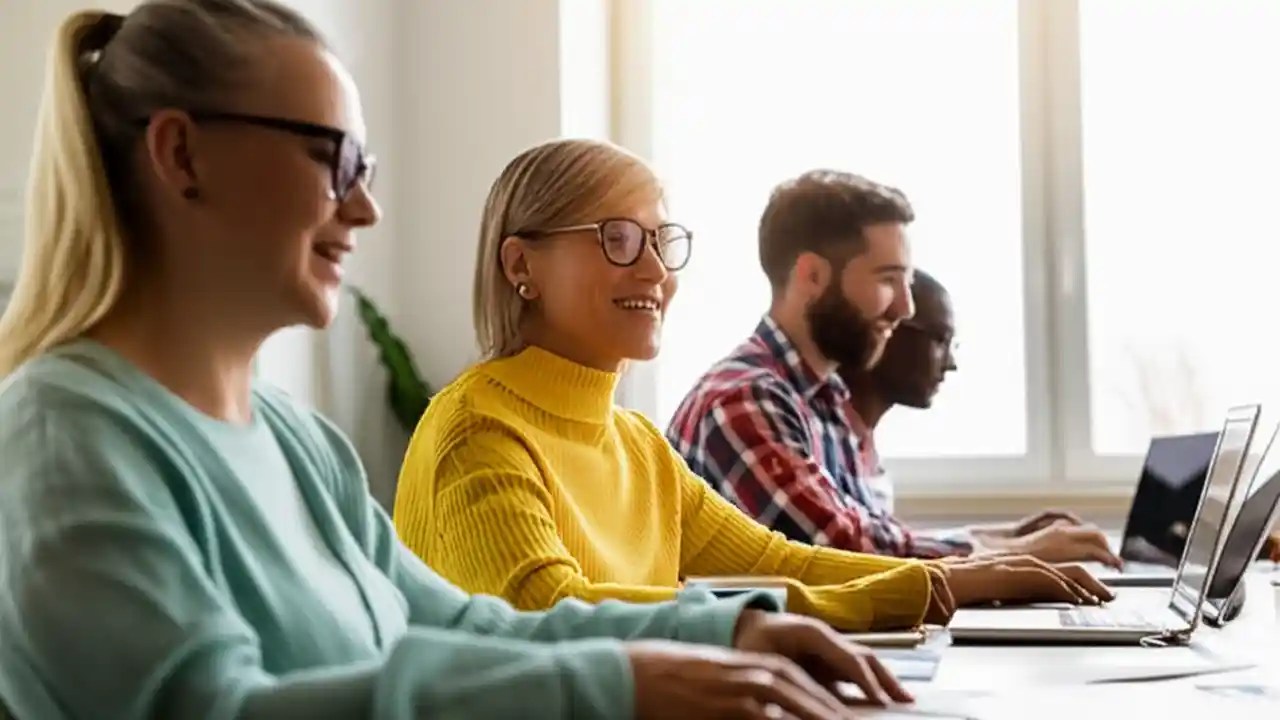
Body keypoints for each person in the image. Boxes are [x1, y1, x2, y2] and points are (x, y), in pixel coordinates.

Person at [0, 4, 923, 719]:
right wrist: (615, 686)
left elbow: (458, 622)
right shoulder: (66, 439)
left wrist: (731, 629)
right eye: (335, 158)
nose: (366, 211)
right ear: (181, 154)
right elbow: (215, 709)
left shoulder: (294, 441)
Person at [393, 140, 1113, 639]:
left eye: (660, 241)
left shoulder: (635, 444)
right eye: (618, 239)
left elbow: (779, 561)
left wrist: (967, 580)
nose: (655, 271)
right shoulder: (479, 430)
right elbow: (549, 611)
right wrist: (943, 582)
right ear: (521, 264)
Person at [665, 171, 1115, 573]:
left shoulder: (823, 399)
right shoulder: (745, 399)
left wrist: (1006, 537)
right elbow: (847, 554)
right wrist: (1024, 552)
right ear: (813, 276)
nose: (905, 307)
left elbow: (873, 532)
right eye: (887, 279)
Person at [837, 269, 1123, 566]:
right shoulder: (823, 437)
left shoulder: (859, 442)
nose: (951, 364)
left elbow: (894, 542)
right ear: (887, 328)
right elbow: (868, 558)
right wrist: (1024, 551)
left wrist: (1007, 535)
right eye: (941, 339)